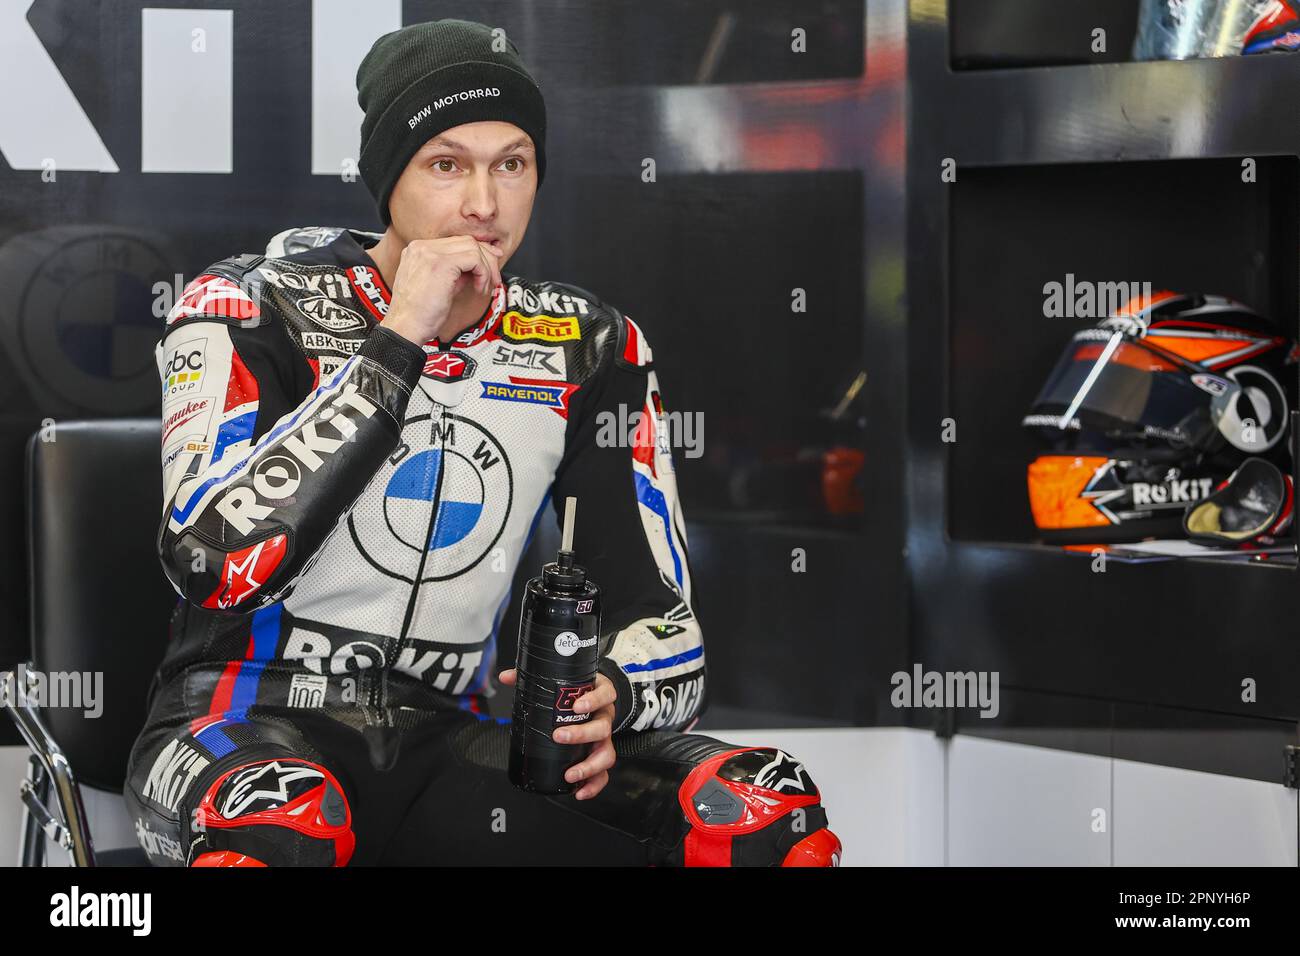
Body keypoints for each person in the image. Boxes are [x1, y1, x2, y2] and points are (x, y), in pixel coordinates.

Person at [125, 18, 841, 866]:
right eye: (446, 164)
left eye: (512, 163)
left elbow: (668, 628)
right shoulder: (245, 303)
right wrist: (396, 344)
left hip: (447, 737)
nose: (485, 204)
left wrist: (611, 689)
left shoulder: (590, 346)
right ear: (386, 179)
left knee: (763, 811)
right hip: (233, 722)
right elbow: (210, 557)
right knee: (278, 822)